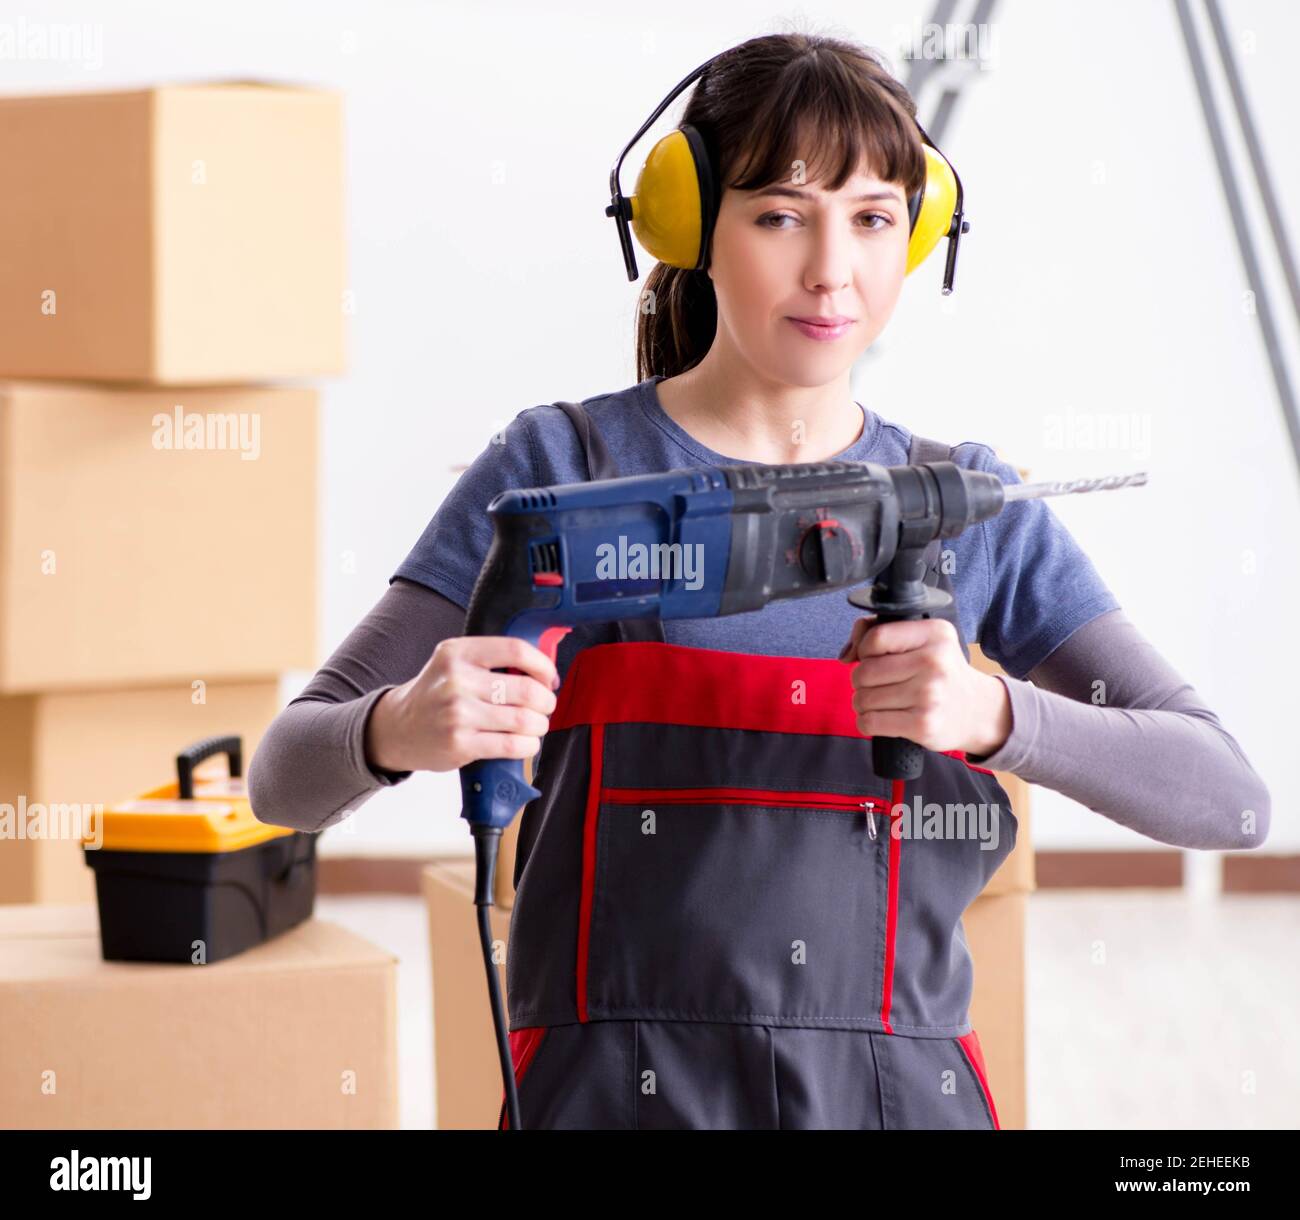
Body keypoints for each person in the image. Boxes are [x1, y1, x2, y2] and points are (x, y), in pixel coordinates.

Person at [248, 33, 1271, 1130]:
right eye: (781, 214)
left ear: (919, 234)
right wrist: (399, 724)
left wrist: (994, 713)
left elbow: (1230, 796)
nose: (833, 269)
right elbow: (281, 780)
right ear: (689, 225)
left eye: (874, 217)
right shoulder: (561, 473)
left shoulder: (961, 504)